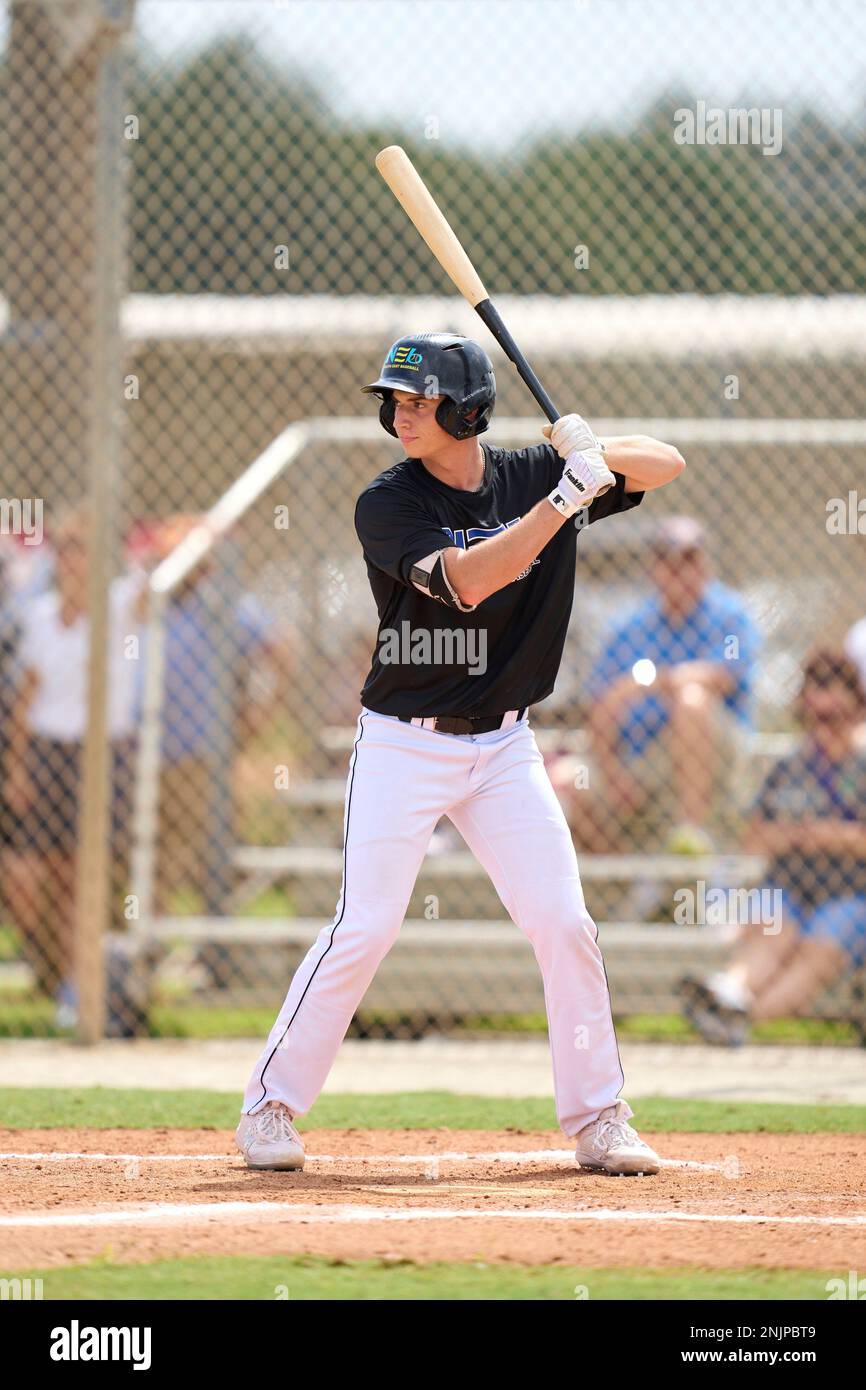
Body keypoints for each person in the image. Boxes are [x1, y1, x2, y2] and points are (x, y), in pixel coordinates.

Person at [236, 330, 685, 1176]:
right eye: (396, 402)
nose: (402, 415)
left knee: (563, 920)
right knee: (366, 925)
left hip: (506, 745)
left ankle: (599, 1118)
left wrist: (586, 449)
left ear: (466, 409)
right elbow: (472, 581)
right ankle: (269, 1107)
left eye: (420, 401)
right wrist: (564, 502)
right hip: (406, 742)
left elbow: (667, 463)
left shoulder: (531, 473)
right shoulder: (388, 503)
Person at [679, 649, 866, 1044]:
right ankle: (730, 991)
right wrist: (796, 836)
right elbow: (754, 838)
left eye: (836, 715)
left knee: (821, 947)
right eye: (817, 715)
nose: (825, 726)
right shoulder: (790, 768)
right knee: (771, 927)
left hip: (851, 893)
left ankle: (738, 1017)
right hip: (790, 887)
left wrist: (836, 837)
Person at [3, 509, 143, 1026]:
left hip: (99, 752)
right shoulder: (38, 613)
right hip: (47, 750)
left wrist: (137, 545)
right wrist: (17, 767)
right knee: (36, 876)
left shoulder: (118, 605)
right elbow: (28, 693)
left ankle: (82, 989)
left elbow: (150, 591)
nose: (69, 556)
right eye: (63, 545)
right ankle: (61, 976)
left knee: (80, 879)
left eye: (80, 545)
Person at [554, 516, 759, 854]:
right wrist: (612, 771)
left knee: (691, 700)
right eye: (668, 561)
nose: (679, 571)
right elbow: (602, 705)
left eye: (689, 560)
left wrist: (647, 682)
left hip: (710, 754)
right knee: (564, 779)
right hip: (637, 757)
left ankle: (691, 832)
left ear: (706, 565)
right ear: (653, 568)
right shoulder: (630, 626)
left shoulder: (729, 614)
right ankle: (620, 876)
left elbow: (722, 676)